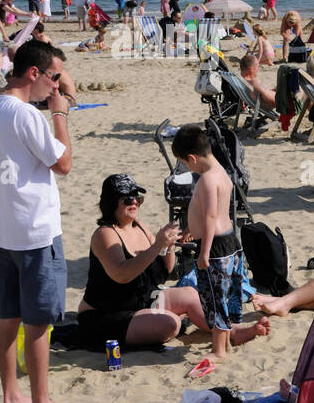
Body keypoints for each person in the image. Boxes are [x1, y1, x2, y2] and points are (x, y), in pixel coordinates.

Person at [0, 41, 82, 403]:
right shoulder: (26, 115)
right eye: (55, 78)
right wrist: (60, 115)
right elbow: (63, 164)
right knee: (37, 322)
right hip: (33, 232)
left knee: (7, 319)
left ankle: (11, 396)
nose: (56, 87)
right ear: (35, 73)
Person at [77, 173, 269, 351]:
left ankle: (233, 331)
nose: (135, 202)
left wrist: (168, 246)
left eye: (138, 198)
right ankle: (180, 320)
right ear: (112, 202)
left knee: (189, 294)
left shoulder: (140, 227)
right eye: (128, 199)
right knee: (171, 323)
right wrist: (156, 246)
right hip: (106, 314)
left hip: (140, 301)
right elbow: (122, 275)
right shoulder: (105, 235)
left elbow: (166, 269)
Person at [171, 124, 245, 374]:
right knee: (224, 297)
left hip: (216, 249)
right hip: (230, 241)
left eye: (185, 164)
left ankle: (219, 350)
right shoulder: (222, 171)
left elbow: (211, 216)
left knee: (215, 299)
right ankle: (223, 344)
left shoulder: (206, 179)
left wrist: (204, 250)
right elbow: (215, 211)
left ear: (192, 158)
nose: (188, 168)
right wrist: (195, 230)